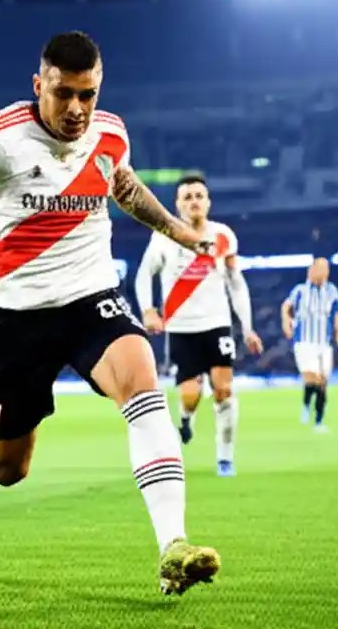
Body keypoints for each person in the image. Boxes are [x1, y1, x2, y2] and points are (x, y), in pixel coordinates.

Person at [0, 31, 219, 596]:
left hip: (90, 299)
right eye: (63, 94)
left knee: (141, 378)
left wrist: (179, 231)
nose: (78, 109)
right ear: (39, 85)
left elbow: (124, 190)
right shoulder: (0, 137)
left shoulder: (111, 133)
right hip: (20, 315)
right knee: (11, 469)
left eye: (89, 95)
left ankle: (172, 547)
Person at [134, 175, 262, 477]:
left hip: (217, 325)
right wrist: (149, 311)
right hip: (181, 328)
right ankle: (187, 418)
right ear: (177, 205)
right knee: (190, 395)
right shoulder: (163, 235)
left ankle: (225, 458)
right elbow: (143, 275)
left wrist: (247, 327)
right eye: (187, 197)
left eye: (199, 196)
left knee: (223, 390)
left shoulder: (223, 236)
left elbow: (236, 283)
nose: (194, 201)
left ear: (208, 201)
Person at [282, 257, 338, 432]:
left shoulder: (332, 291)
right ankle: (308, 409)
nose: (323, 272)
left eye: (326, 269)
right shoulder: (300, 290)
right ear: (311, 271)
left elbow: (337, 313)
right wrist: (286, 322)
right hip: (304, 342)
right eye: (320, 268)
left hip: (323, 343)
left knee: (323, 381)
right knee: (313, 379)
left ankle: (318, 419)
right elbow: (286, 306)